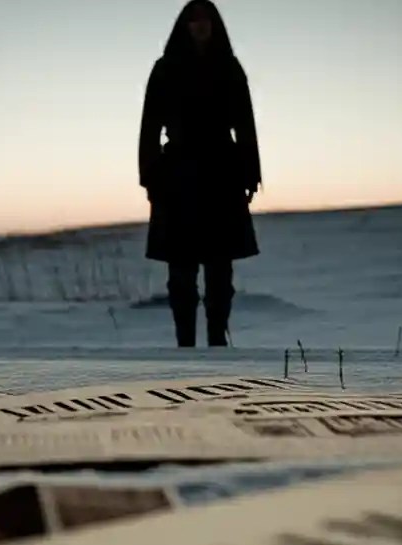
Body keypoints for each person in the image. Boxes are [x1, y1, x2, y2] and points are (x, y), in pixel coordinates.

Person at [139, 0, 262, 347]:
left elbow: (246, 125)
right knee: (181, 272)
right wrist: (149, 176)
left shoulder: (230, 68)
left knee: (220, 270)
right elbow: (149, 127)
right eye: (194, 20)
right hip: (177, 176)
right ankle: (185, 345)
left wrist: (250, 173)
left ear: (214, 25)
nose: (200, 25)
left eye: (206, 20)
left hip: (222, 174)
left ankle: (217, 342)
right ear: (185, 26)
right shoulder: (165, 69)